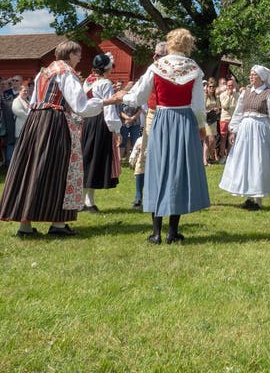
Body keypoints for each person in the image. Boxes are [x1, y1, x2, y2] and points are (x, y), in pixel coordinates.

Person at [0, 41, 122, 237]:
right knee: (59, 170)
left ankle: (25, 225)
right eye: (79, 54)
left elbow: (34, 102)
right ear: (71, 54)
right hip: (54, 124)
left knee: (31, 169)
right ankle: (57, 224)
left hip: (35, 122)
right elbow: (80, 106)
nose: (81, 58)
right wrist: (110, 100)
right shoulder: (66, 72)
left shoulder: (44, 72)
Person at [122, 28, 209, 243]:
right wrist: (200, 125)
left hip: (161, 119)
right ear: (188, 45)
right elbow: (198, 105)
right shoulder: (194, 68)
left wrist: (124, 97)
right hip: (185, 120)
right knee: (178, 171)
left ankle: (156, 232)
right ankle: (172, 232)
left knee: (157, 170)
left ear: (169, 43)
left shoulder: (157, 66)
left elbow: (139, 95)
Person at [219, 65, 270, 210]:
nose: (251, 77)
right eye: (251, 74)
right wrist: (233, 130)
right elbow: (239, 112)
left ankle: (258, 199)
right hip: (245, 130)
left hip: (260, 130)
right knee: (245, 161)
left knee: (258, 161)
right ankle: (249, 197)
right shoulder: (245, 92)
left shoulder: (269, 93)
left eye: (254, 75)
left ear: (262, 77)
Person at [81, 53, 122, 212]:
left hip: (87, 121)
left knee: (87, 158)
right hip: (100, 121)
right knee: (95, 159)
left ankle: (85, 199)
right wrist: (116, 129)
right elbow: (109, 107)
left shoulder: (88, 81)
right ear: (106, 68)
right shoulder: (105, 83)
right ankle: (89, 202)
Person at [132, 41, 167, 210]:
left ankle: (163, 192)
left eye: (158, 55)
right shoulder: (151, 70)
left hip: (169, 114)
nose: (154, 57)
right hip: (153, 113)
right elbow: (139, 91)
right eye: (155, 54)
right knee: (145, 152)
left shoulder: (173, 70)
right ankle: (139, 195)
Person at [219, 77, 239, 162]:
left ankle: (229, 157)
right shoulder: (222, 95)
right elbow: (224, 106)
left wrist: (232, 95)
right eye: (229, 86)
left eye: (232, 85)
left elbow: (237, 107)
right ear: (226, 86)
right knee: (223, 138)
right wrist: (229, 96)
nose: (230, 87)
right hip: (224, 118)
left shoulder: (237, 95)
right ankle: (222, 156)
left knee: (231, 138)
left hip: (233, 119)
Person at [203, 78, 220, 166]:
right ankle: (205, 160)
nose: (211, 88)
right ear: (207, 87)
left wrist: (216, 110)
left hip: (213, 120)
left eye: (213, 87)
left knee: (212, 141)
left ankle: (209, 157)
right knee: (208, 140)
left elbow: (218, 108)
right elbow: (202, 109)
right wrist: (209, 110)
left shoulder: (215, 97)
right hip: (206, 120)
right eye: (210, 86)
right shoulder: (205, 96)